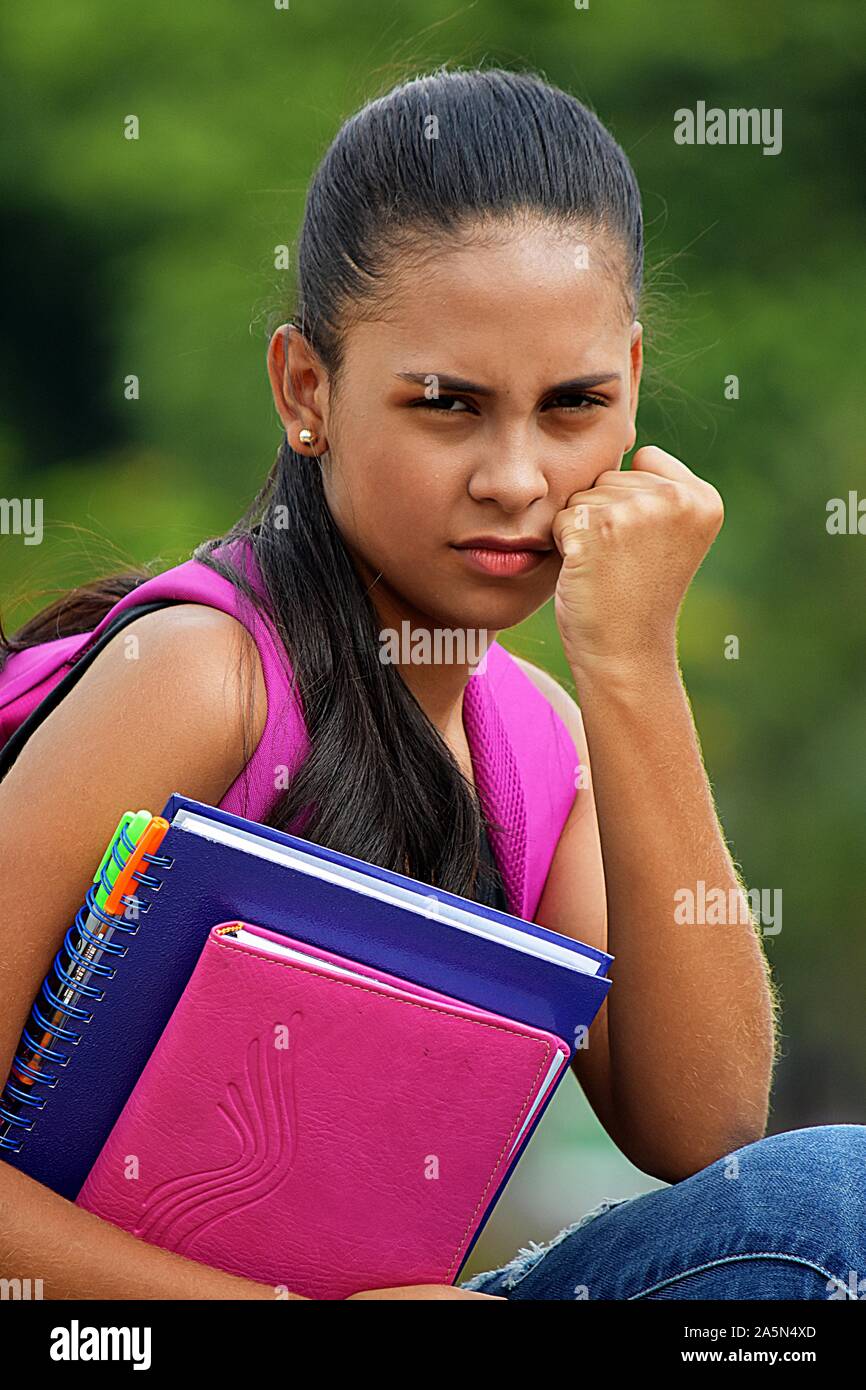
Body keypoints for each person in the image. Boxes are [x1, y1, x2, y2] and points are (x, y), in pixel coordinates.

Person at [1, 65, 864, 1302]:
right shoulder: (202, 675)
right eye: (446, 407)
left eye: (573, 406)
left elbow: (712, 1138)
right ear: (308, 390)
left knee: (832, 1207)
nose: (515, 478)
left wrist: (631, 665)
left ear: (630, 383)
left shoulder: (535, 741)